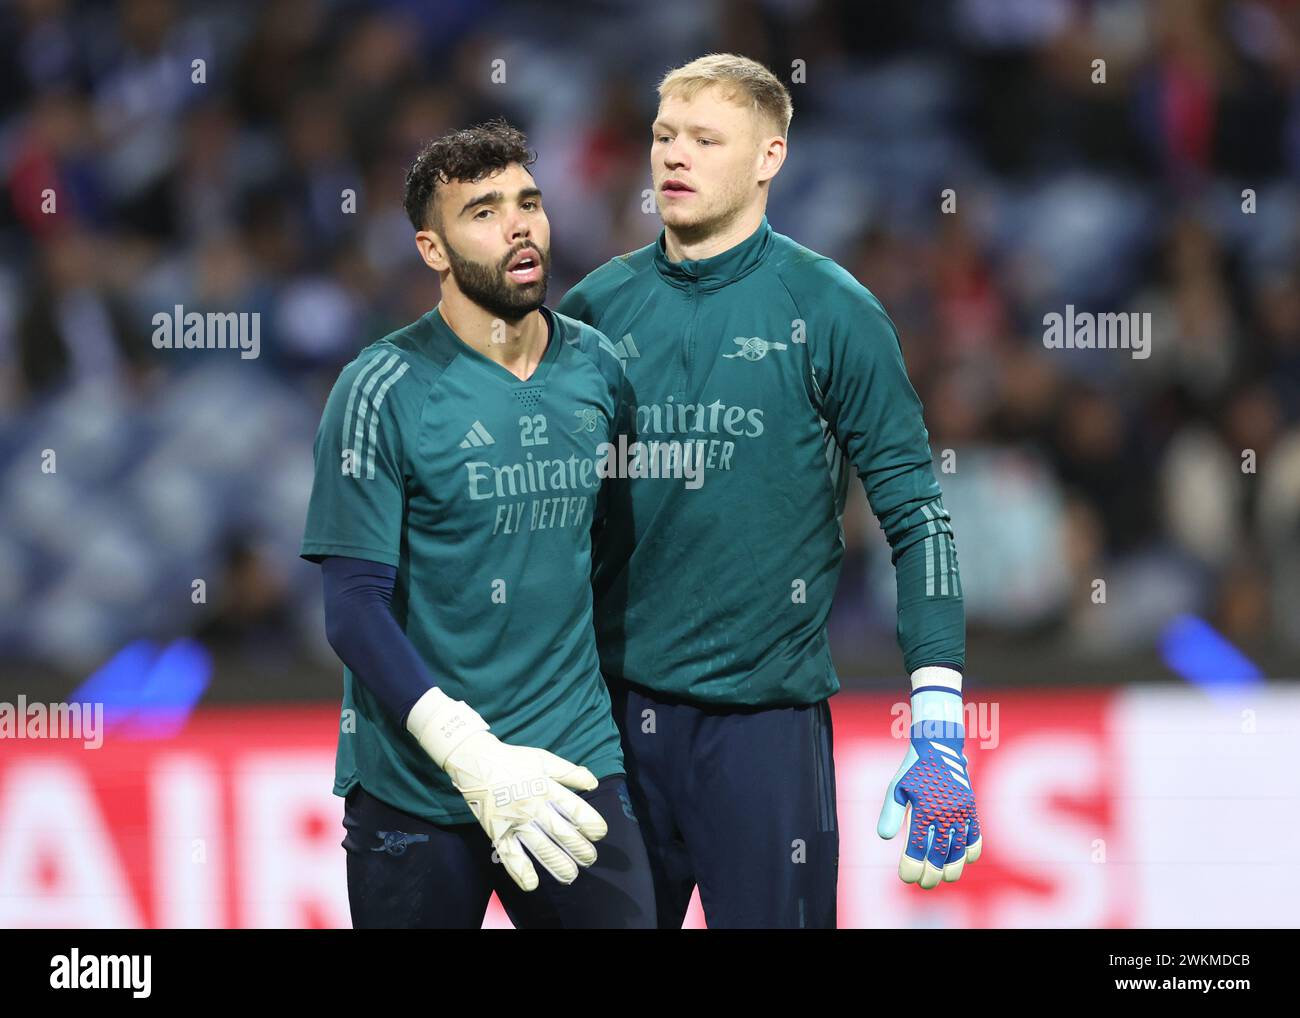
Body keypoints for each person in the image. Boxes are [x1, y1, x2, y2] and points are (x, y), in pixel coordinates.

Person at [558, 53, 981, 929]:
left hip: (765, 732)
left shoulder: (833, 311)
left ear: (769, 158)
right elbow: (548, 524)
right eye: (664, 135)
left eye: (705, 139)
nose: (674, 156)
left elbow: (916, 512)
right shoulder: (594, 311)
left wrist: (937, 712)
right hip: (607, 725)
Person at [300, 119, 655, 928]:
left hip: (572, 767)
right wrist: (470, 751)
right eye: (484, 212)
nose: (519, 224)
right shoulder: (380, 388)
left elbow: (613, 552)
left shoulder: (599, 368)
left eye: (528, 202)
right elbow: (352, 607)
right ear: (433, 250)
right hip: (416, 786)